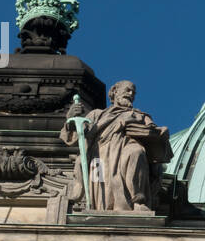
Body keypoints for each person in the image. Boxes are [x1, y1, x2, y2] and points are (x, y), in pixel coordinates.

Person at [60, 81, 170, 212]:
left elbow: (153, 129)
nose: (131, 94)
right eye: (128, 90)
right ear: (115, 92)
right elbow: (77, 134)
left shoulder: (139, 115)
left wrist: (161, 132)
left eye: (133, 93)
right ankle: (100, 210)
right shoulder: (97, 114)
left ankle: (138, 200)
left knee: (137, 152)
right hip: (99, 155)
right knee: (100, 187)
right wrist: (71, 118)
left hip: (126, 146)